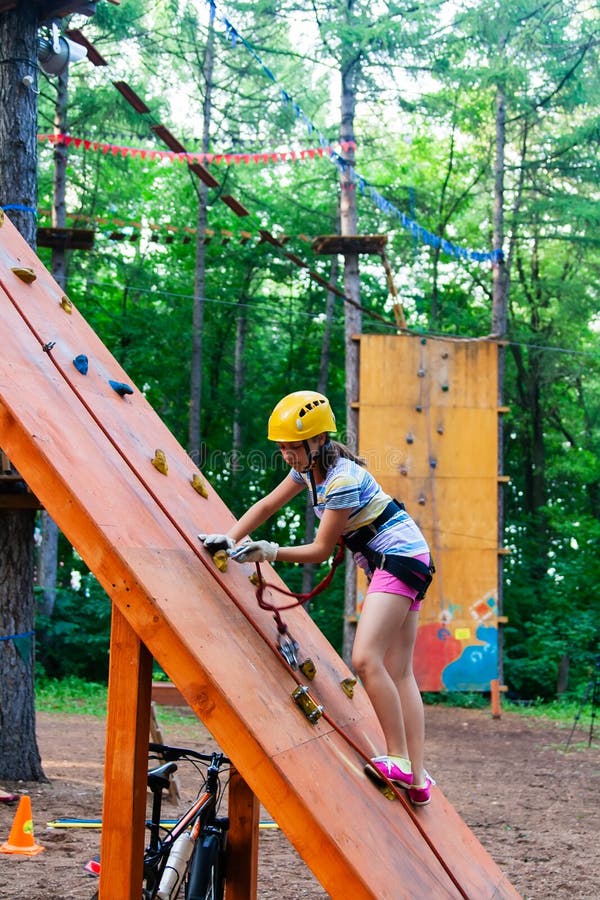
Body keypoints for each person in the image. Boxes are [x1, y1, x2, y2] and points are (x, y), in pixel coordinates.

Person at [198, 390, 434, 805]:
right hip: (403, 556)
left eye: (294, 447)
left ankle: (398, 758)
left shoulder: (340, 479)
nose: (287, 455)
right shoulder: (309, 471)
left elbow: (321, 550)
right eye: (282, 448)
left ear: (319, 440)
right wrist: (229, 537)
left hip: (398, 557)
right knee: (399, 669)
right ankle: (417, 778)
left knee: (366, 658)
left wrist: (269, 552)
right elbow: (268, 504)